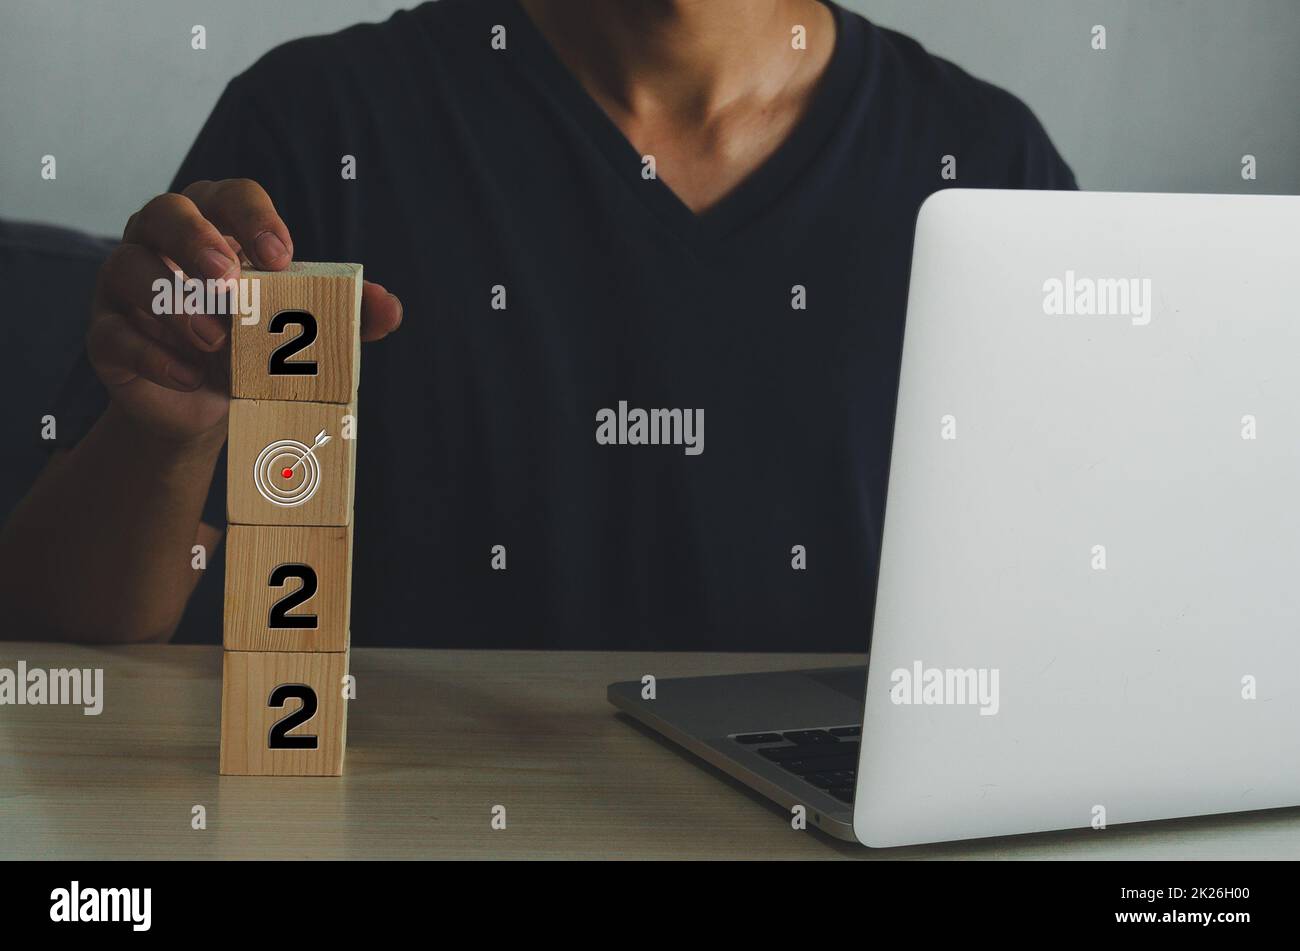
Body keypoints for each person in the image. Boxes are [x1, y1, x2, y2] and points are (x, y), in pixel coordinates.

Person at [0, 0, 1075, 650]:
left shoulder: (985, 167)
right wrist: (167, 436)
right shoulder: (319, 124)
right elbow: (67, 629)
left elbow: (1081, 604)